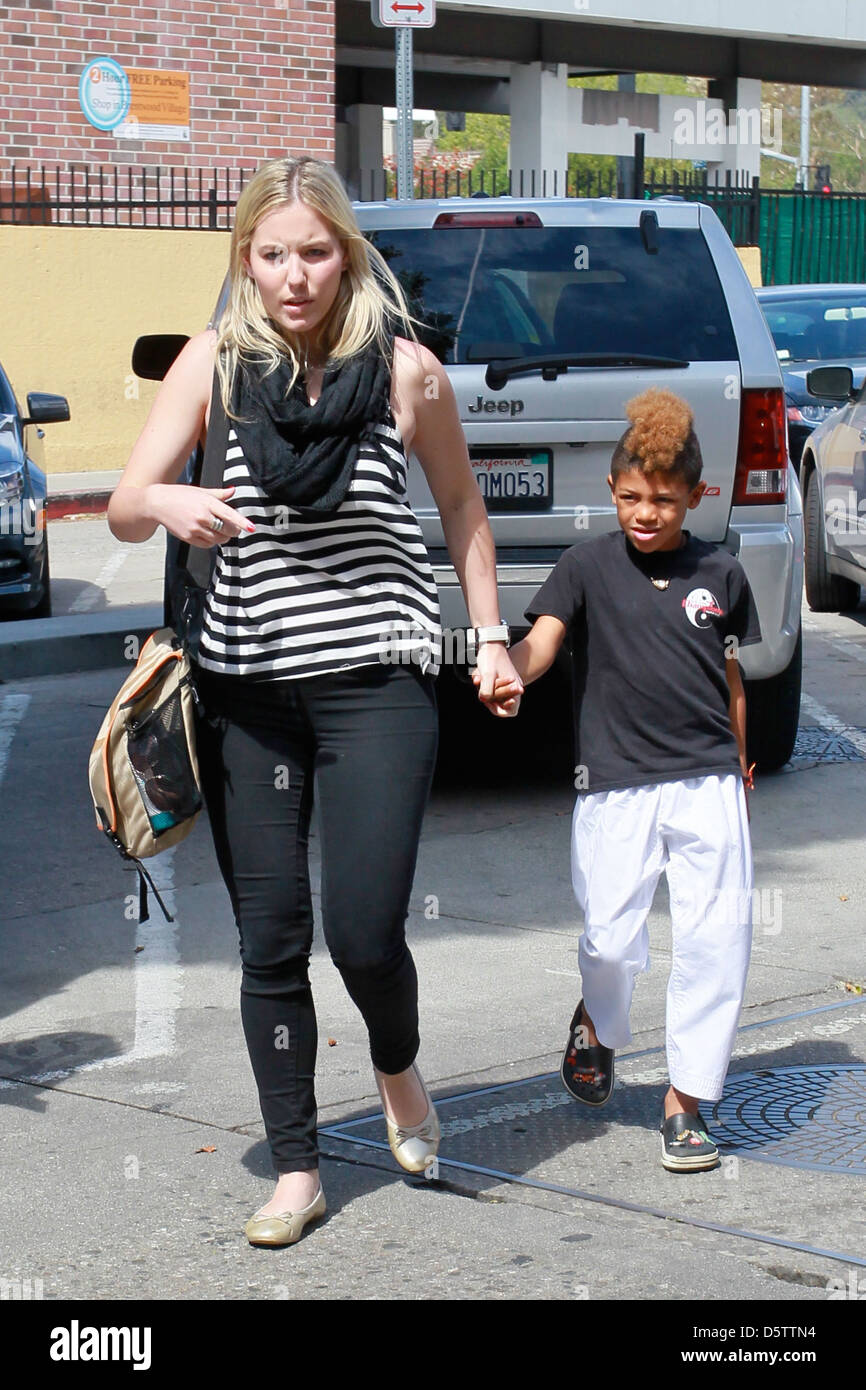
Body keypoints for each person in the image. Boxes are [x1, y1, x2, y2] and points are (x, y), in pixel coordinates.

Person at [108, 155, 522, 1244]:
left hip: (376, 687)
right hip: (246, 695)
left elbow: (464, 506)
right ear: (245, 257)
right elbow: (120, 505)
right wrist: (169, 496)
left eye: (316, 252)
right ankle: (295, 1167)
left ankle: (396, 1073)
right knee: (270, 942)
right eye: (273, 253)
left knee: (364, 932)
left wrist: (489, 639)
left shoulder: (404, 374)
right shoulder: (211, 365)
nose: (295, 276)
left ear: (348, 255)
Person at [478, 388, 760, 1171]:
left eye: (665, 501)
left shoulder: (722, 572)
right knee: (610, 938)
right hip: (614, 785)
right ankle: (599, 1025)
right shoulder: (585, 566)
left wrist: (740, 762)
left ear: (696, 497)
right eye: (632, 497)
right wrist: (511, 674)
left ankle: (688, 1102)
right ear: (610, 492)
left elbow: (732, 678)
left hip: (707, 780)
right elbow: (542, 645)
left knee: (717, 940)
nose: (647, 513)